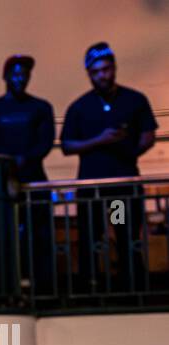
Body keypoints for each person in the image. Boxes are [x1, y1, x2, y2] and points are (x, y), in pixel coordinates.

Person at [61, 43, 158, 294]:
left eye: (106, 69)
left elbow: (149, 134)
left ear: (114, 68)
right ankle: (90, 288)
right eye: (96, 72)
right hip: (92, 187)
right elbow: (67, 145)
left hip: (120, 188)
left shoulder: (133, 100)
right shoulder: (80, 107)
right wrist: (100, 140)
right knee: (91, 237)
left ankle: (130, 285)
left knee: (124, 233)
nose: (102, 76)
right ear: (89, 74)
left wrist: (131, 152)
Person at [0, 55, 57, 298]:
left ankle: (43, 289)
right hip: (1, 181)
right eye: (15, 74)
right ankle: (1, 289)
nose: (20, 79)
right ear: (5, 76)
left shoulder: (41, 107)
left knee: (40, 235)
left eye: (25, 75)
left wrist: (25, 159)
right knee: (2, 236)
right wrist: (8, 163)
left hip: (33, 180)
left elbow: (45, 142)